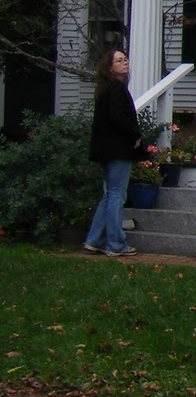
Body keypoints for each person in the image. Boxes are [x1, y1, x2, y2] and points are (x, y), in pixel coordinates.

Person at [83, 48, 143, 257]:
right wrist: (134, 134)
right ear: (110, 67)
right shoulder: (116, 90)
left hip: (106, 149)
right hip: (118, 149)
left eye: (125, 59)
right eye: (119, 60)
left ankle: (93, 240)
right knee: (117, 195)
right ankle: (115, 244)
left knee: (110, 194)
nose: (124, 63)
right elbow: (119, 118)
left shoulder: (105, 89)